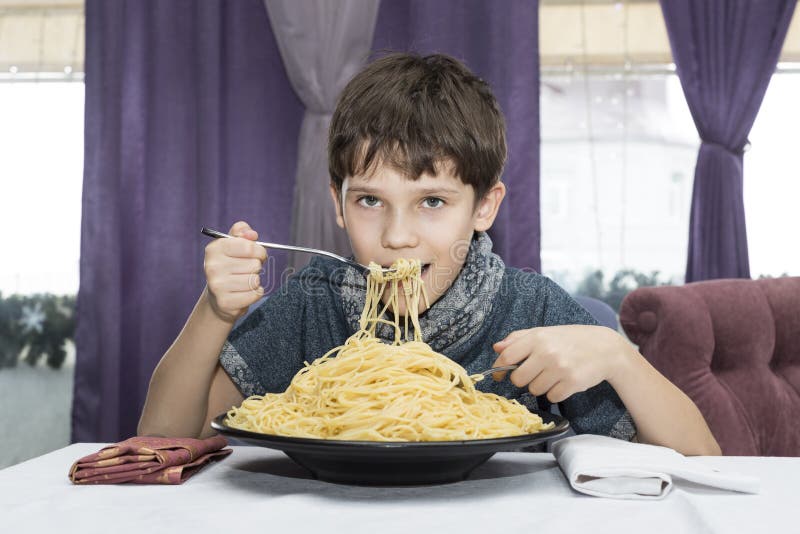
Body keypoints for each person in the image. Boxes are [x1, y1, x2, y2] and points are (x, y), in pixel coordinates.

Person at [138, 53, 721, 456]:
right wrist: (215, 311)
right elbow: (162, 440)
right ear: (337, 204)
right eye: (370, 200)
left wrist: (619, 359)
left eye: (432, 202)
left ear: (484, 207)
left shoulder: (531, 309)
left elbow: (704, 461)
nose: (397, 237)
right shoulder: (313, 302)